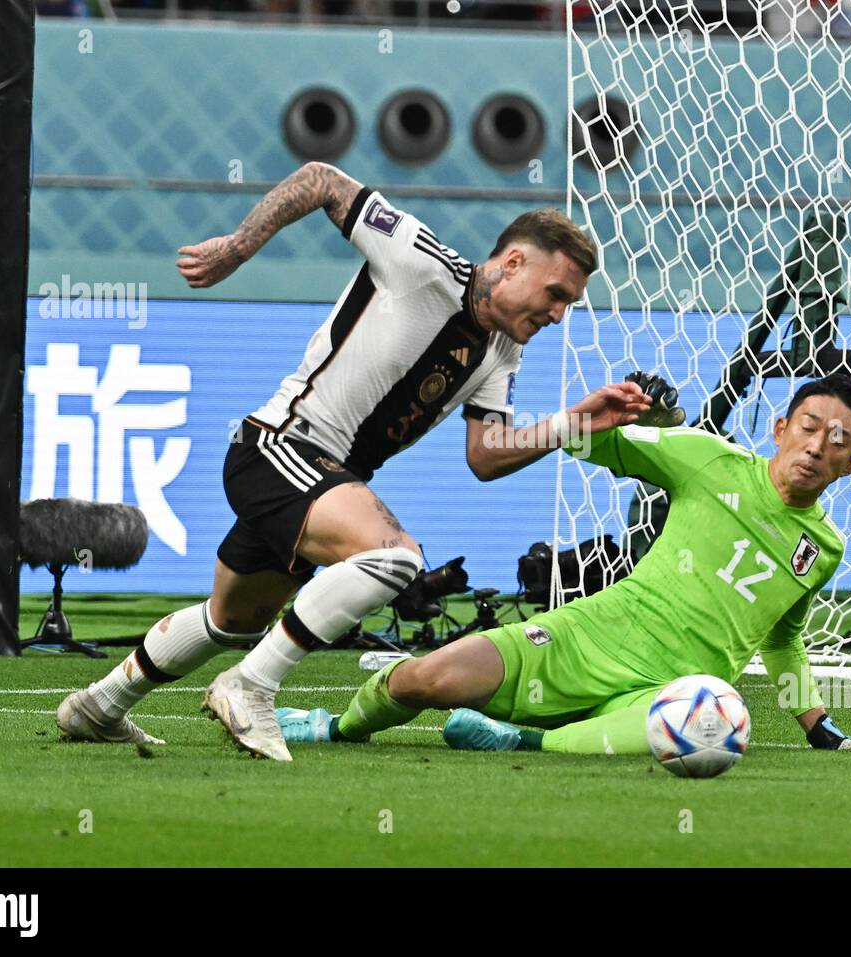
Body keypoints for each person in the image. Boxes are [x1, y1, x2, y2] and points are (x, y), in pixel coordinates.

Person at [56, 160, 680, 761]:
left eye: (567, 303)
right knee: (394, 557)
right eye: (556, 293)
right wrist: (239, 248)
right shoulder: (416, 258)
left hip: (322, 480)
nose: (558, 313)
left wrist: (579, 421)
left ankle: (98, 706)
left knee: (229, 619)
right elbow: (322, 179)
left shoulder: (499, 352)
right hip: (281, 447)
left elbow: (486, 457)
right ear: (513, 262)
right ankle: (251, 687)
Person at [278, 374, 851, 755]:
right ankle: (336, 728)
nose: (815, 446)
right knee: (426, 679)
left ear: (850, 463)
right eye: (807, 427)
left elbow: (784, 637)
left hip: (672, 690)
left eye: (836, 441)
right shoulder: (706, 460)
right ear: (780, 427)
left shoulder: (823, 549)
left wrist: (819, 725)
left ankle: (523, 742)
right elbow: (597, 442)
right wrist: (598, 415)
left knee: (720, 718)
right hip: (590, 634)